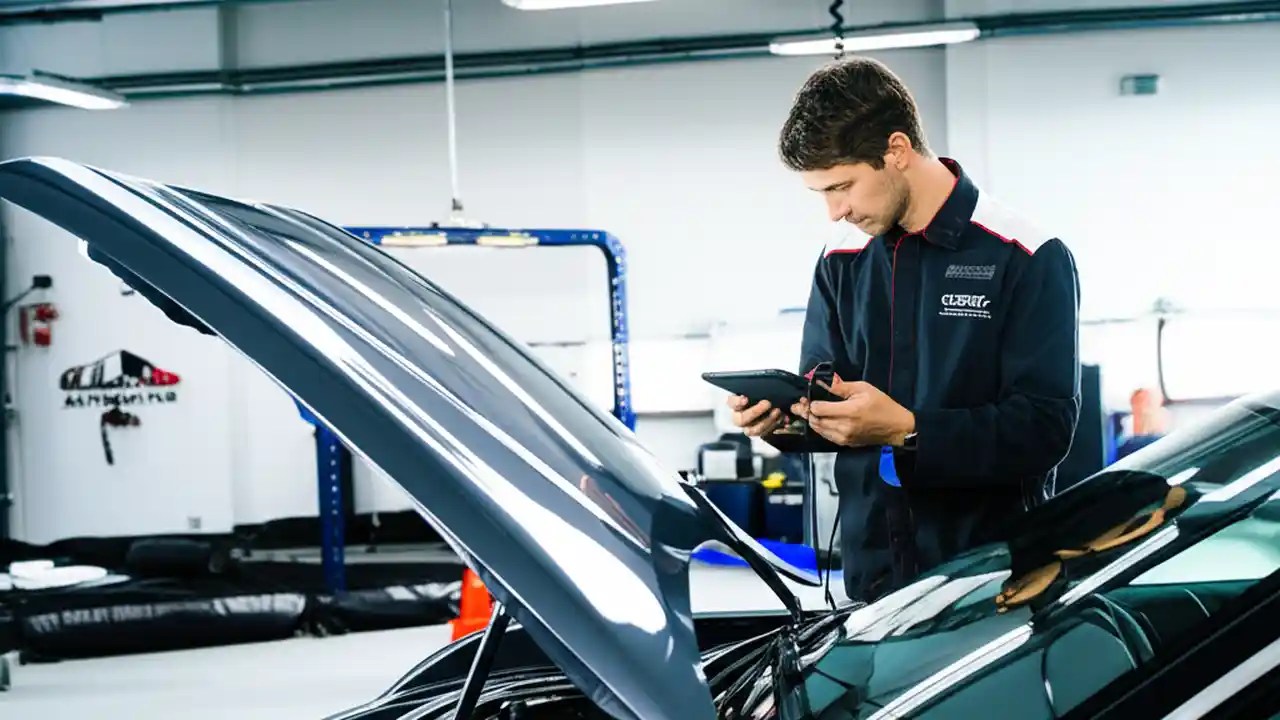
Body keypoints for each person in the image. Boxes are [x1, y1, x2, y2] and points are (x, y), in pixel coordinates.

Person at [727, 56, 1081, 602]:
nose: (833, 211)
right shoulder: (840, 258)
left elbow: (1045, 428)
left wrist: (910, 430)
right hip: (873, 582)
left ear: (895, 151)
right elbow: (828, 397)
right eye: (821, 193)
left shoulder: (1025, 255)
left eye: (841, 186)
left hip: (993, 581)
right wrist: (782, 422)